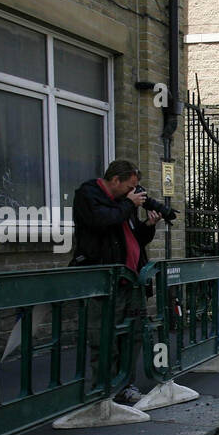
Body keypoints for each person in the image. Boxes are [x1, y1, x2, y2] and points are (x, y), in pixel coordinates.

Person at [69, 159, 160, 406]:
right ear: (115, 180)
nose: (134, 191)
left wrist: (149, 225)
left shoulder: (123, 205)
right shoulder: (89, 194)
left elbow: (136, 239)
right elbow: (100, 221)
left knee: (132, 335)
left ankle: (125, 384)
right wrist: (129, 204)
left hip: (131, 279)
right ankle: (105, 389)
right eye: (130, 186)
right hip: (105, 281)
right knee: (104, 337)